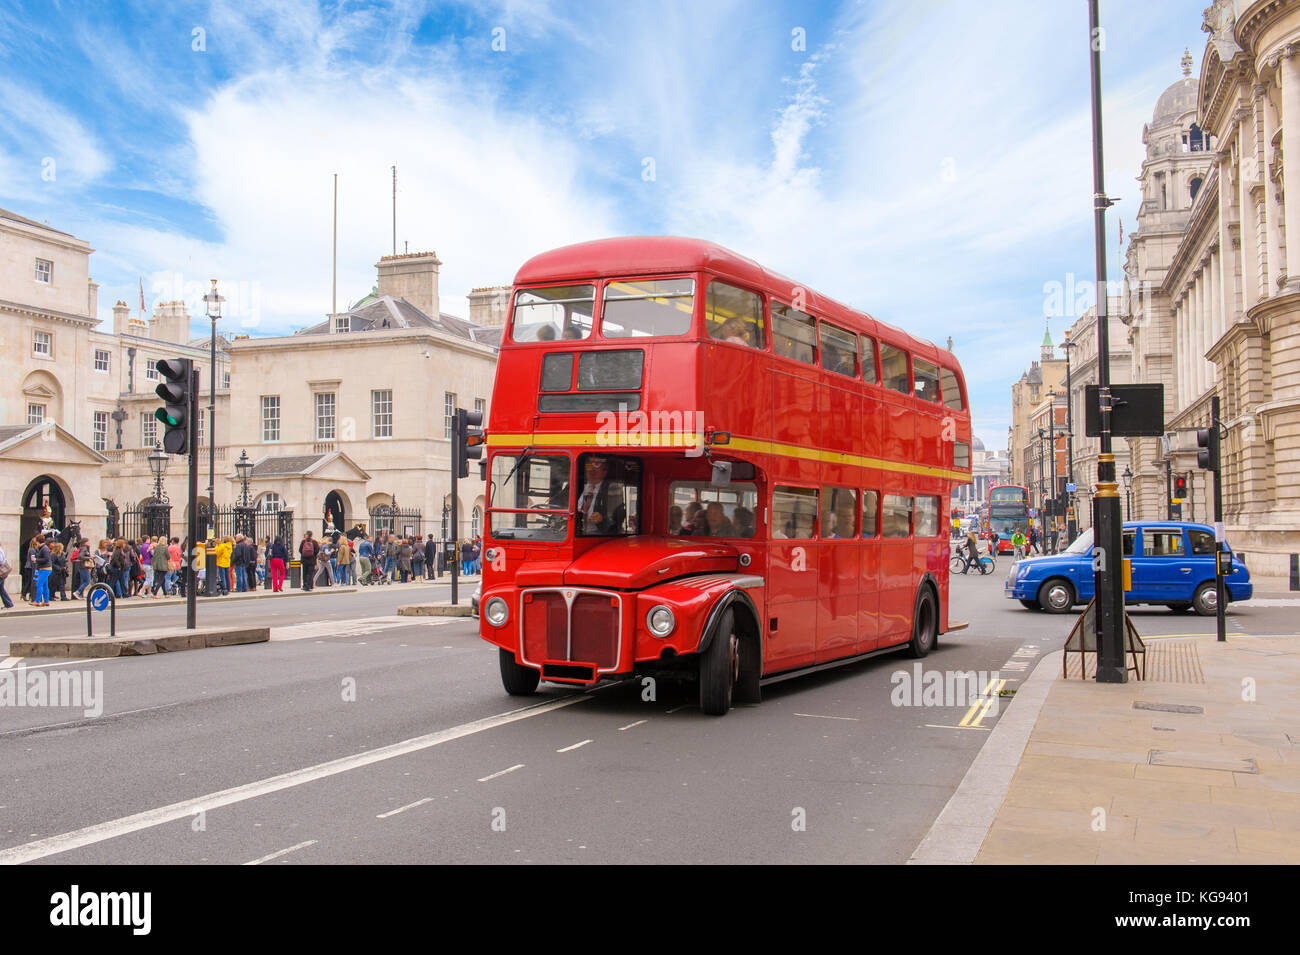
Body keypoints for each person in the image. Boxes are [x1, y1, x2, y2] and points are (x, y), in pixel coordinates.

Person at [576, 456, 625, 535]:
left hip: (597, 536)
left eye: (596, 468)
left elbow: (618, 518)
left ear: (604, 471)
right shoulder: (576, 485)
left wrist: (602, 519)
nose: (591, 471)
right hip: (575, 533)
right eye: (589, 467)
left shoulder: (612, 488)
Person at [32, 535, 52, 606]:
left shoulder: (44, 549)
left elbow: (46, 559)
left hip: (45, 569)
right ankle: (46, 601)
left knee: (39, 584)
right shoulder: (44, 548)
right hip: (45, 569)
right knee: (45, 585)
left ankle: (37, 601)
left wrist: (36, 560)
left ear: (38, 541)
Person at [0, 539, 12, 610]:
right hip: (3, 572)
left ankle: (8, 604)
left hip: (1, 572)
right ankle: (8, 604)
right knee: (1, 589)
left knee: (1, 589)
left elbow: (1, 561)